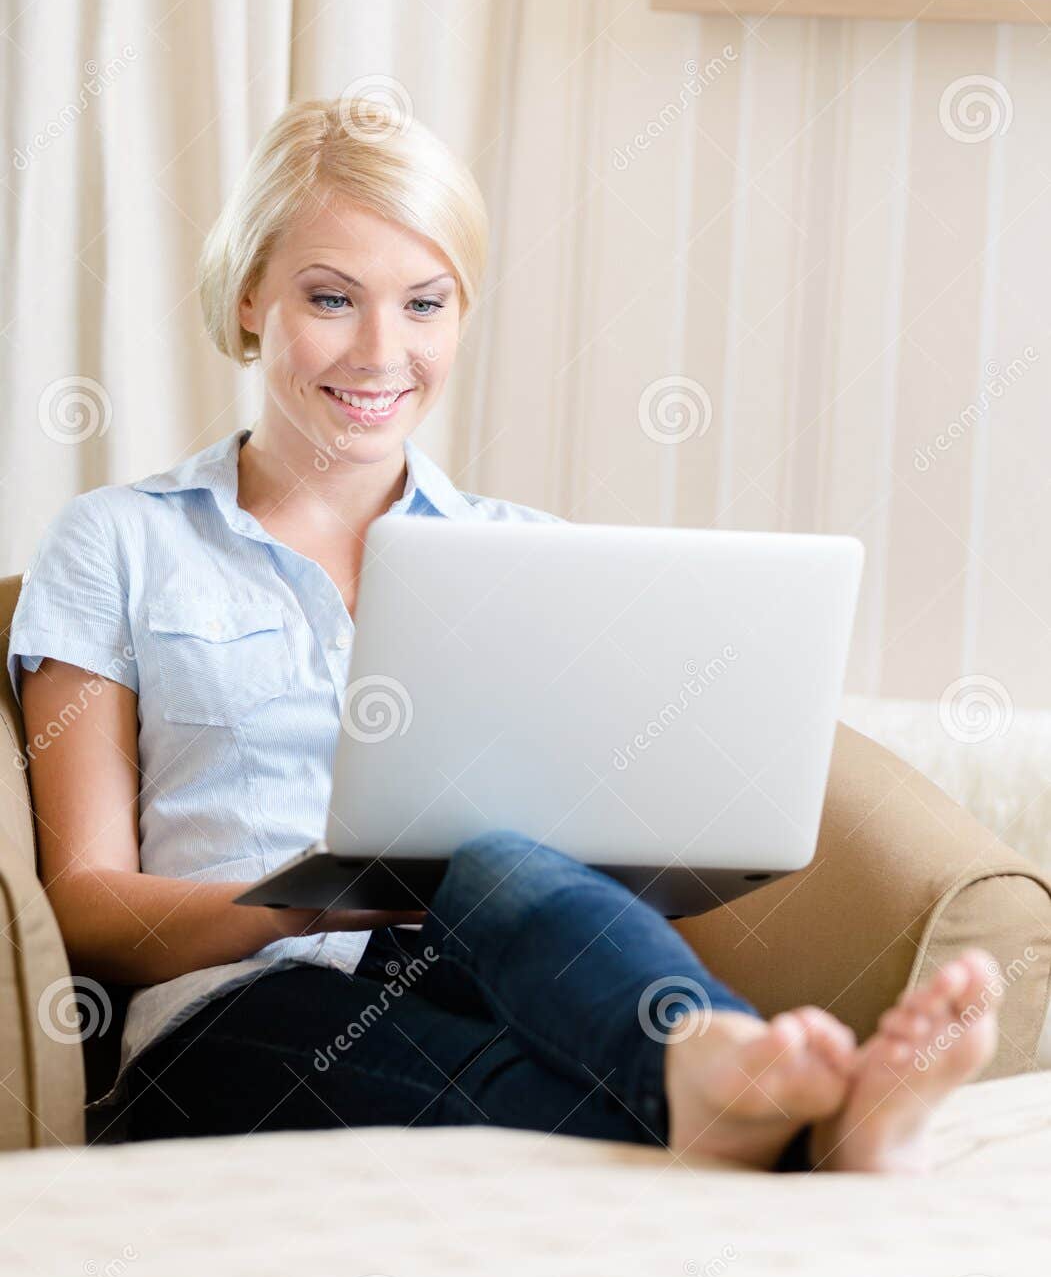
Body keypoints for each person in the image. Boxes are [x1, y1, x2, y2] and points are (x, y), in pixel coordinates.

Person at [9, 99, 999, 1171]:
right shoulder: (118, 540)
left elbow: (598, 834)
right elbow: (89, 903)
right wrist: (295, 908)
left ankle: (715, 1052)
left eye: (424, 304)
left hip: (488, 965)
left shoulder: (530, 557)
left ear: (461, 313)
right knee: (473, 1075)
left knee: (495, 868)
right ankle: (813, 1129)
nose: (381, 351)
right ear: (249, 296)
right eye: (331, 298)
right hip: (232, 1008)